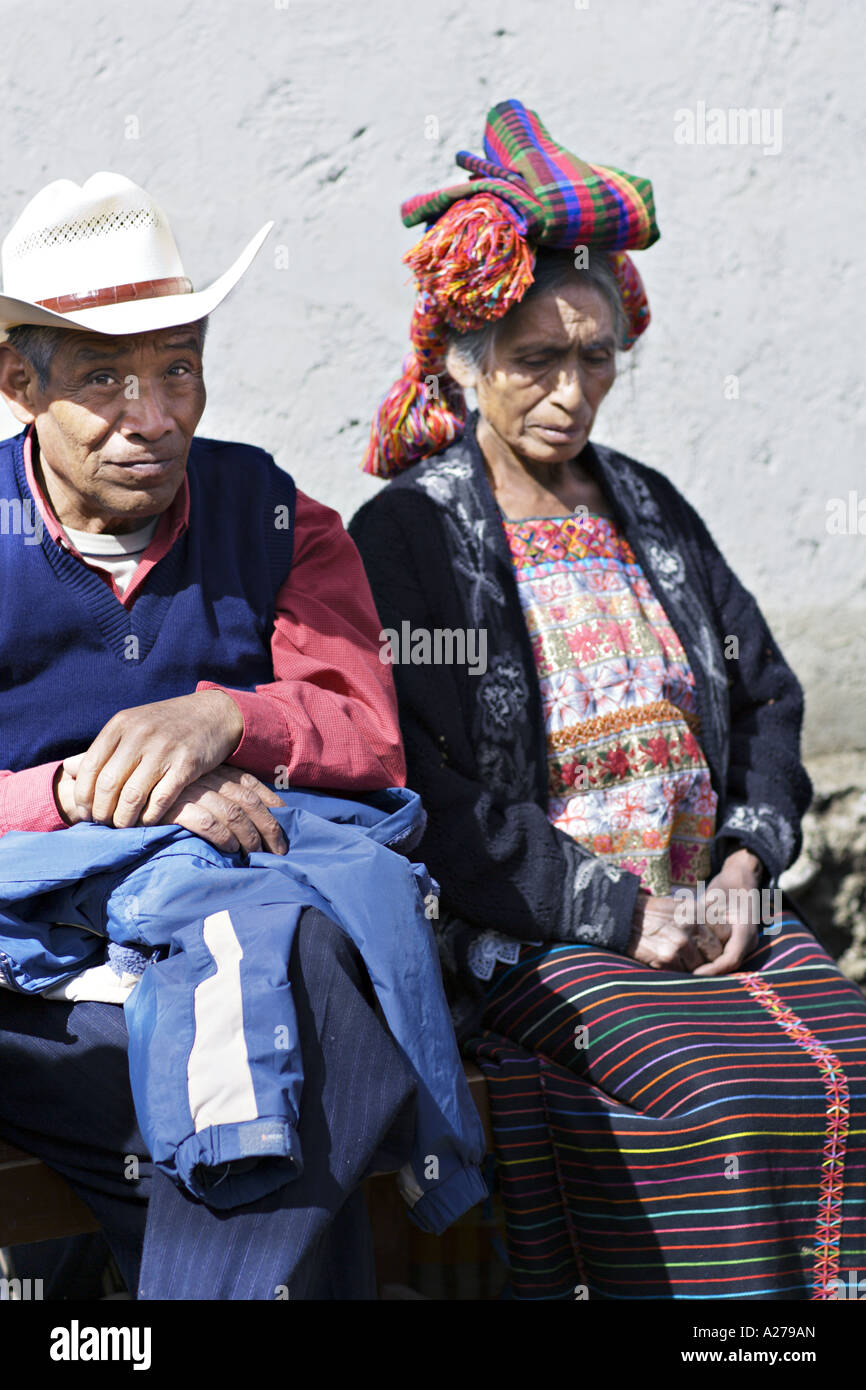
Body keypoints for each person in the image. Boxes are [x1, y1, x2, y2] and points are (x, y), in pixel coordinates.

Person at [349, 98, 866, 1300]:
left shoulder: (648, 510)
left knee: (847, 1062)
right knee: (721, 1098)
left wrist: (743, 862)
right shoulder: (412, 537)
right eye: (536, 359)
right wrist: (618, 909)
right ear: (469, 361)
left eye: (595, 358)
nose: (569, 391)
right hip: (532, 937)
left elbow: (766, 697)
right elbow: (426, 784)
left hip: (709, 911)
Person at [0, 171, 485, 1300]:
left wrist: (230, 717)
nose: (154, 416)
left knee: (276, 991)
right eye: (105, 379)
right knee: (299, 1040)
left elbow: (367, 734)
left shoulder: (270, 515)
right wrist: (89, 795)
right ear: (18, 380)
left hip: (220, 969)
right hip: (31, 985)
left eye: (178, 368)